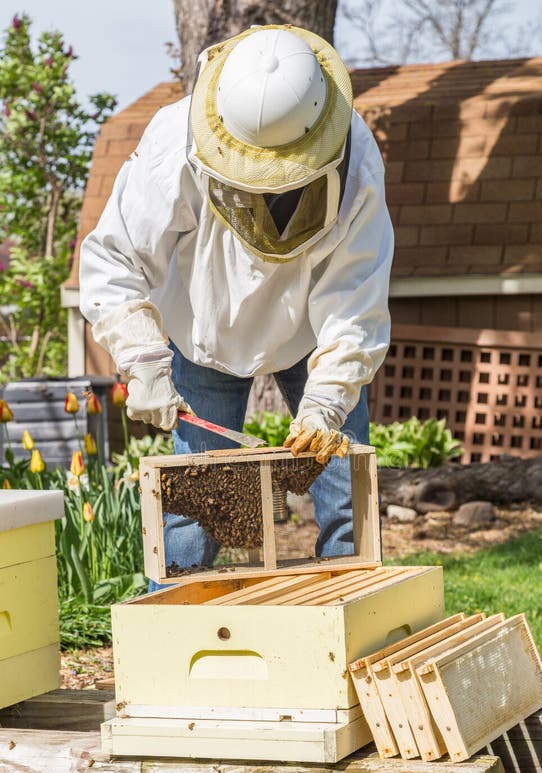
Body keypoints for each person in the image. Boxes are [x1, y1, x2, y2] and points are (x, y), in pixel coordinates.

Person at [79, 24, 394, 577]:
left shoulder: (358, 161)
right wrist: (143, 359)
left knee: (348, 504)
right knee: (192, 513)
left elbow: (354, 297)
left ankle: (351, 623)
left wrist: (326, 403)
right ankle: (175, 631)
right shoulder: (172, 142)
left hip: (316, 336)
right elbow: (114, 258)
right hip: (204, 333)